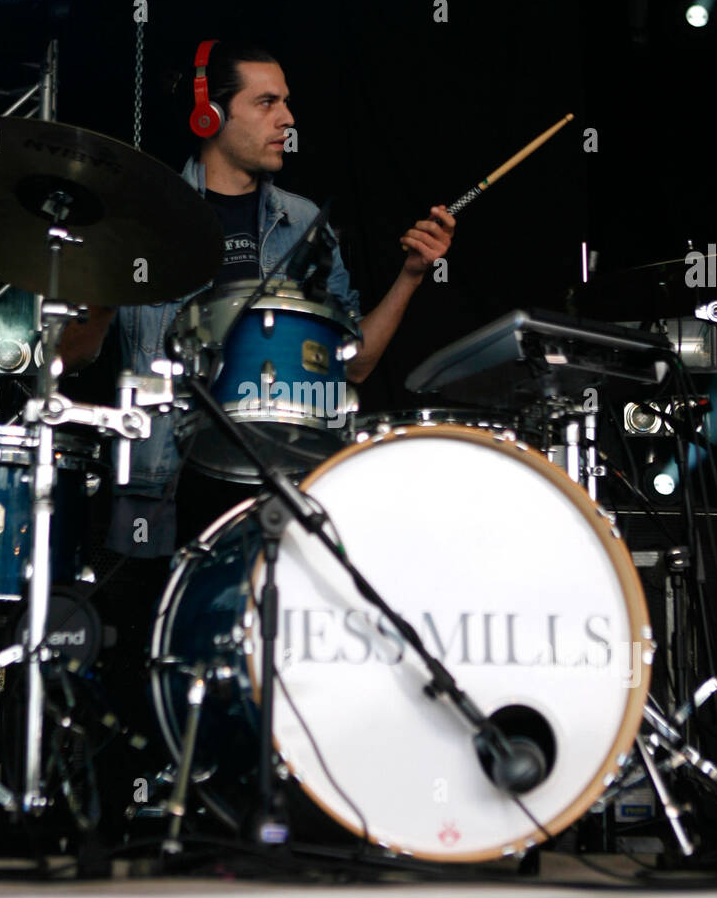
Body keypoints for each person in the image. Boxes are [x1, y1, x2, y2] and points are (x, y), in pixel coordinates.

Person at [61, 40, 455, 558]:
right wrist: (106, 287)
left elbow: (353, 366)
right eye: (267, 103)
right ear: (210, 115)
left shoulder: (304, 222)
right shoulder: (144, 218)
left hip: (283, 489)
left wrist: (410, 276)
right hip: (164, 491)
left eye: (287, 103)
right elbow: (70, 355)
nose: (288, 119)